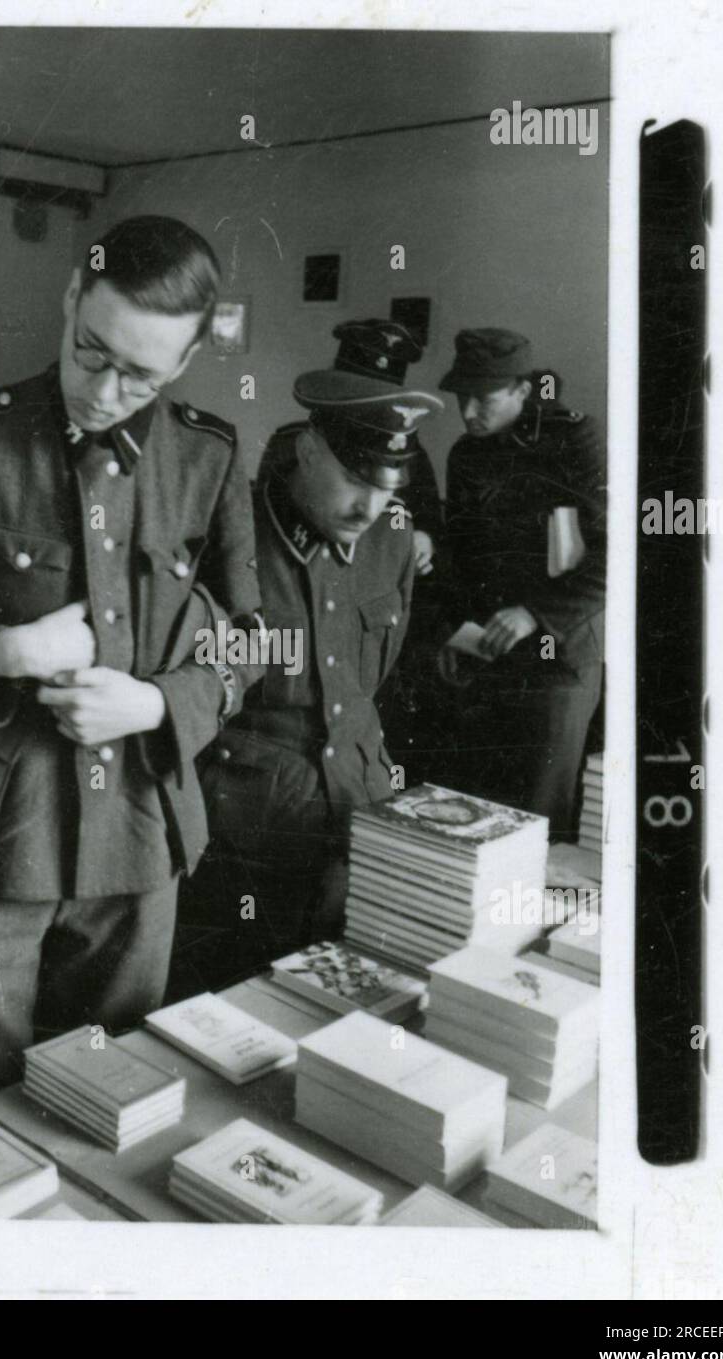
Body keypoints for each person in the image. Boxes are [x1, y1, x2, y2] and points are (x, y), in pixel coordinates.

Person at [0, 215, 263, 1114]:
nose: (107, 390)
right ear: (73, 299)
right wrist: (6, 651)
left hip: (143, 840)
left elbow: (248, 641)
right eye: (90, 353)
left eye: (141, 373)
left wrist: (158, 705)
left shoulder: (210, 457)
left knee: (109, 1102)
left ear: (186, 359)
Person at [173, 320, 442, 993]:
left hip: (362, 820)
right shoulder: (229, 533)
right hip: (246, 836)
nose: (372, 505)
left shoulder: (395, 539)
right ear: (311, 451)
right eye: (357, 480)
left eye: (390, 487)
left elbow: (370, 683)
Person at [429, 328, 605, 838]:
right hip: (487, 653)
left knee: (537, 820)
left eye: (483, 399)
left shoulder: (576, 439)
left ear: (523, 390)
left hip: (559, 661)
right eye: (462, 398)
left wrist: (534, 612)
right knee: (475, 815)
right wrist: (452, 627)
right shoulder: (466, 454)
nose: (467, 412)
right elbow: (461, 557)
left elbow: (617, 558)